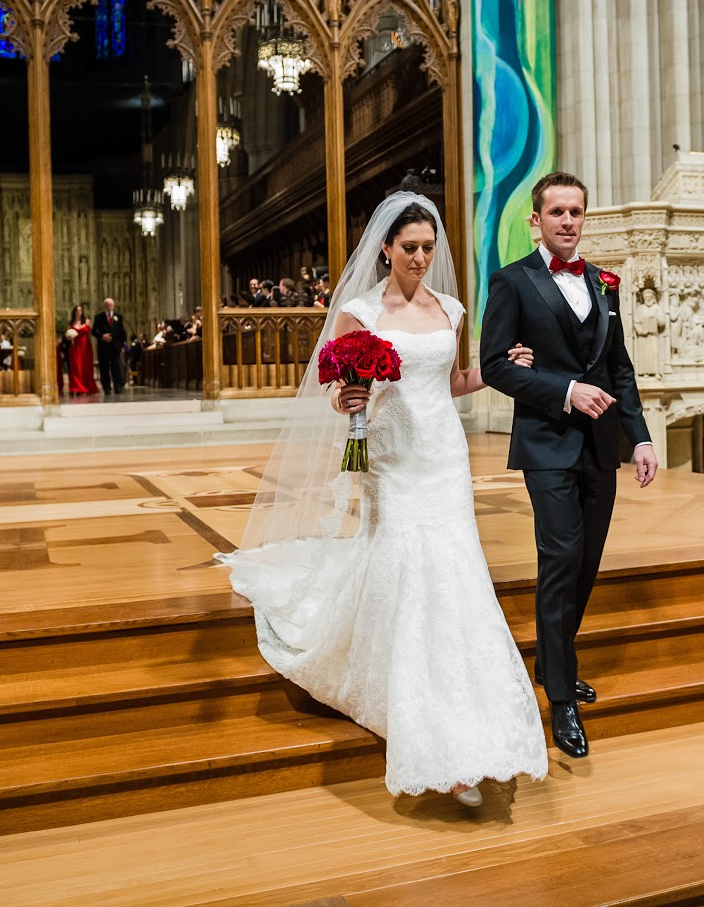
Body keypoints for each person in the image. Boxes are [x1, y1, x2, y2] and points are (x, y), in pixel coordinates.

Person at [217, 193, 545, 808]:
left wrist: (497, 371)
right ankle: (426, 726)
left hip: (443, 458)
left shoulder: (451, 309)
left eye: (429, 248)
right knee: (406, 568)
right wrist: (347, 401)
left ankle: (465, 718)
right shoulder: (360, 313)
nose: (421, 258)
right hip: (392, 462)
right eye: (410, 248)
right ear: (387, 249)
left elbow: (450, 384)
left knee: (452, 572)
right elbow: (338, 393)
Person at [479, 170, 659, 761]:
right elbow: (497, 366)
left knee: (586, 562)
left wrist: (641, 438)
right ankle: (560, 698)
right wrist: (564, 391)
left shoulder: (604, 282)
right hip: (547, 443)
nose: (566, 221)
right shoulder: (512, 282)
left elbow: (621, 369)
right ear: (536, 219)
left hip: (601, 446)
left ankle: (553, 658)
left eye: (575, 212)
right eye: (556, 212)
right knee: (559, 559)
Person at [91, 298, 128, 395]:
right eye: (107, 305)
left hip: (115, 347)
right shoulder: (99, 317)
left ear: (113, 306)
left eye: (111, 305)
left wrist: (123, 345)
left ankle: (117, 386)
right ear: (104, 306)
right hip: (103, 347)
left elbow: (122, 331)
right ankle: (106, 387)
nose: (109, 306)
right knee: (104, 368)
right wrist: (102, 336)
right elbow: (94, 331)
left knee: (116, 368)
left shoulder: (118, 316)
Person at [66, 304, 99, 395]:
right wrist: (69, 337)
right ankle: (76, 387)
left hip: (85, 348)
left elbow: (89, 333)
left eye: (80, 310)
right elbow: (68, 336)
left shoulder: (87, 321)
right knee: (76, 368)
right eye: (77, 310)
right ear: (74, 312)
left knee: (85, 367)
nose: (79, 312)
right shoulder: (71, 323)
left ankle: (86, 386)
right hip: (75, 348)